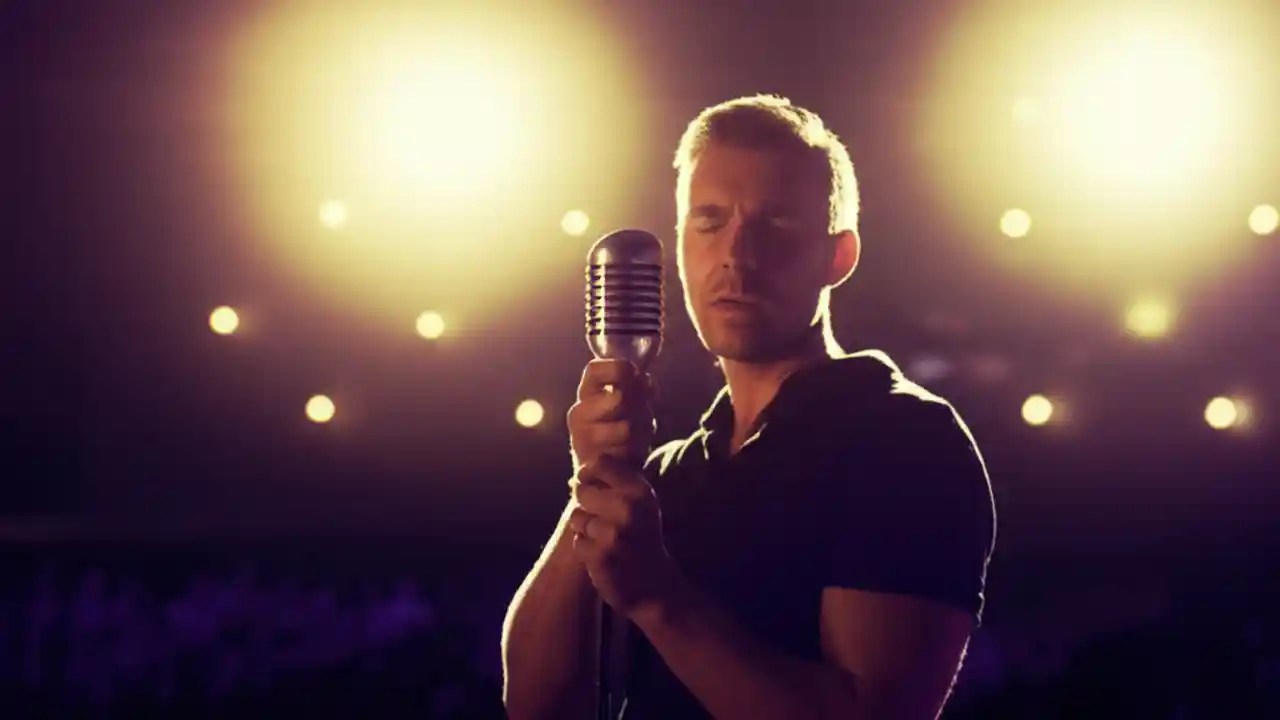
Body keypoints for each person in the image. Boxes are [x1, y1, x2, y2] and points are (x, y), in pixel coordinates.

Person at [501, 94, 996, 720]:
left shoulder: (906, 440)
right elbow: (534, 705)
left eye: (777, 222)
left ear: (838, 256)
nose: (737, 253)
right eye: (709, 222)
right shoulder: (666, 473)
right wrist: (593, 478)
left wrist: (659, 597)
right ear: (680, 247)